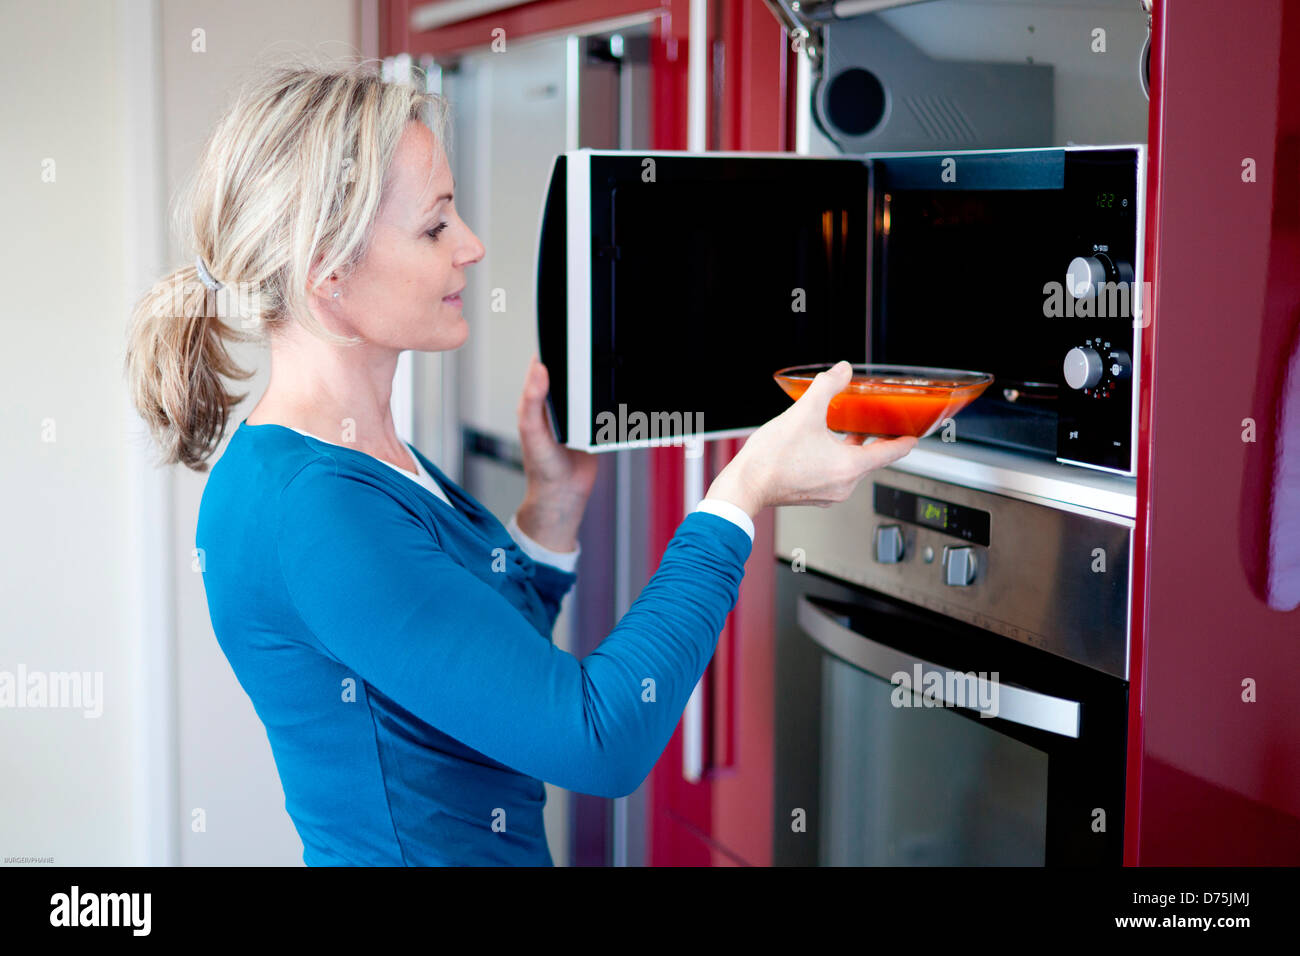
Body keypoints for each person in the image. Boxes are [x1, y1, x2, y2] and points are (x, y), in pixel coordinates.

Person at [124, 58, 917, 866]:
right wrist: (741, 494)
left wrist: (550, 513)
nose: (469, 247)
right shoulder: (312, 510)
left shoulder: (358, 459)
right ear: (329, 275)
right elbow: (596, 738)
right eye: (434, 226)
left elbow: (481, 675)